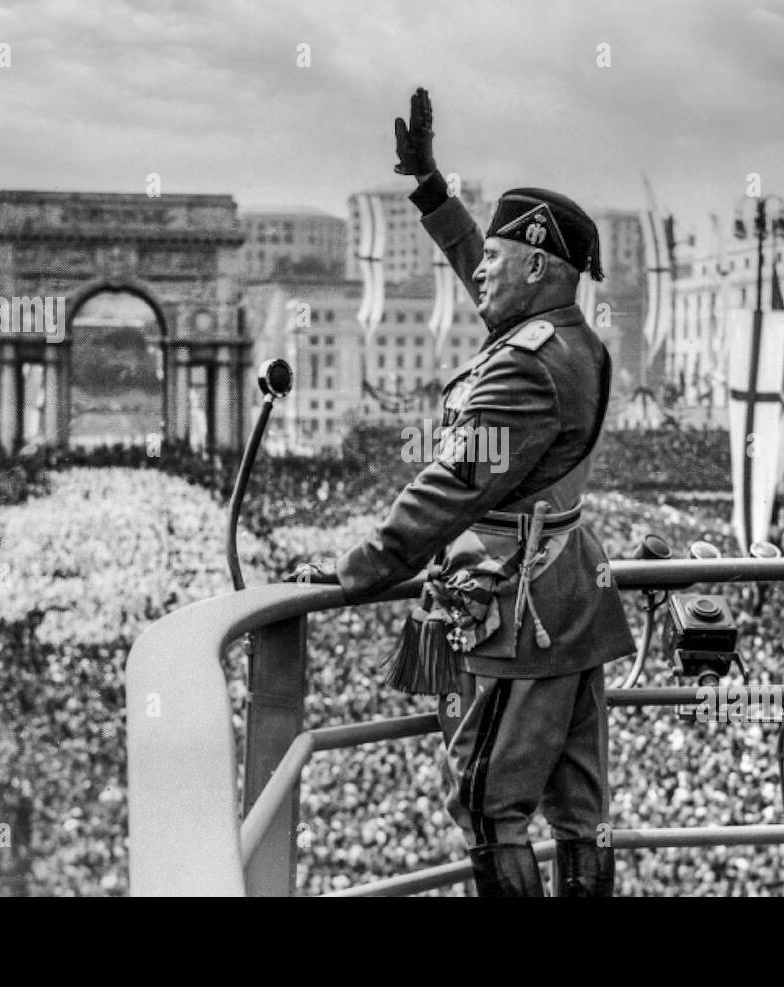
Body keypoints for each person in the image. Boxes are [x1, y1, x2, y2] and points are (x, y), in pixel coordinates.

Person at [284, 87, 635, 896]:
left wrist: (358, 569)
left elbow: (453, 484)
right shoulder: (563, 339)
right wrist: (432, 193)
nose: (479, 269)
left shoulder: (525, 362)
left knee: (486, 805)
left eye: (498, 260)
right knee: (581, 811)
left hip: (525, 613)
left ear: (539, 268)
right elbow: (485, 268)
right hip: (571, 593)